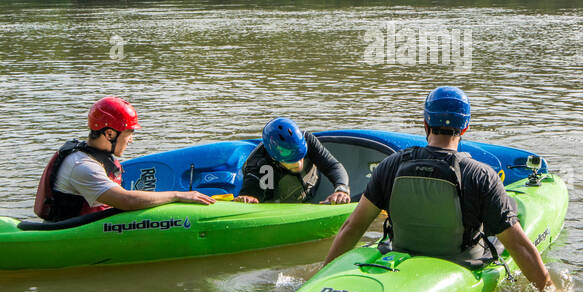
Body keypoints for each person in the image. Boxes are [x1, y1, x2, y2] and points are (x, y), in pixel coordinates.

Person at [319, 86, 555, 292]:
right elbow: (518, 245)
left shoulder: (391, 165)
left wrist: (321, 277)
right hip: (460, 263)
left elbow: (352, 227)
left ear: (425, 123)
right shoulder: (481, 175)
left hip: (402, 254)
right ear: (465, 128)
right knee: (508, 210)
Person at [34, 96, 215, 221]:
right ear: (110, 134)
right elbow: (127, 201)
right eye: (129, 133)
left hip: (90, 226)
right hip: (71, 235)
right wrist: (178, 195)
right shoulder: (82, 166)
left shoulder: (97, 158)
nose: (131, 139)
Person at [234, 118, 351, 204]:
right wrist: (249, 198)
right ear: (275, 157)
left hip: (312, 189)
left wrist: (342, 189)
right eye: (291, 159)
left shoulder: (308, 140)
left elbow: (333, 166)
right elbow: (251, 192)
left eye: (300, 156)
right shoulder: (258, 163)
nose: (299, 163)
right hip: (279, 203)